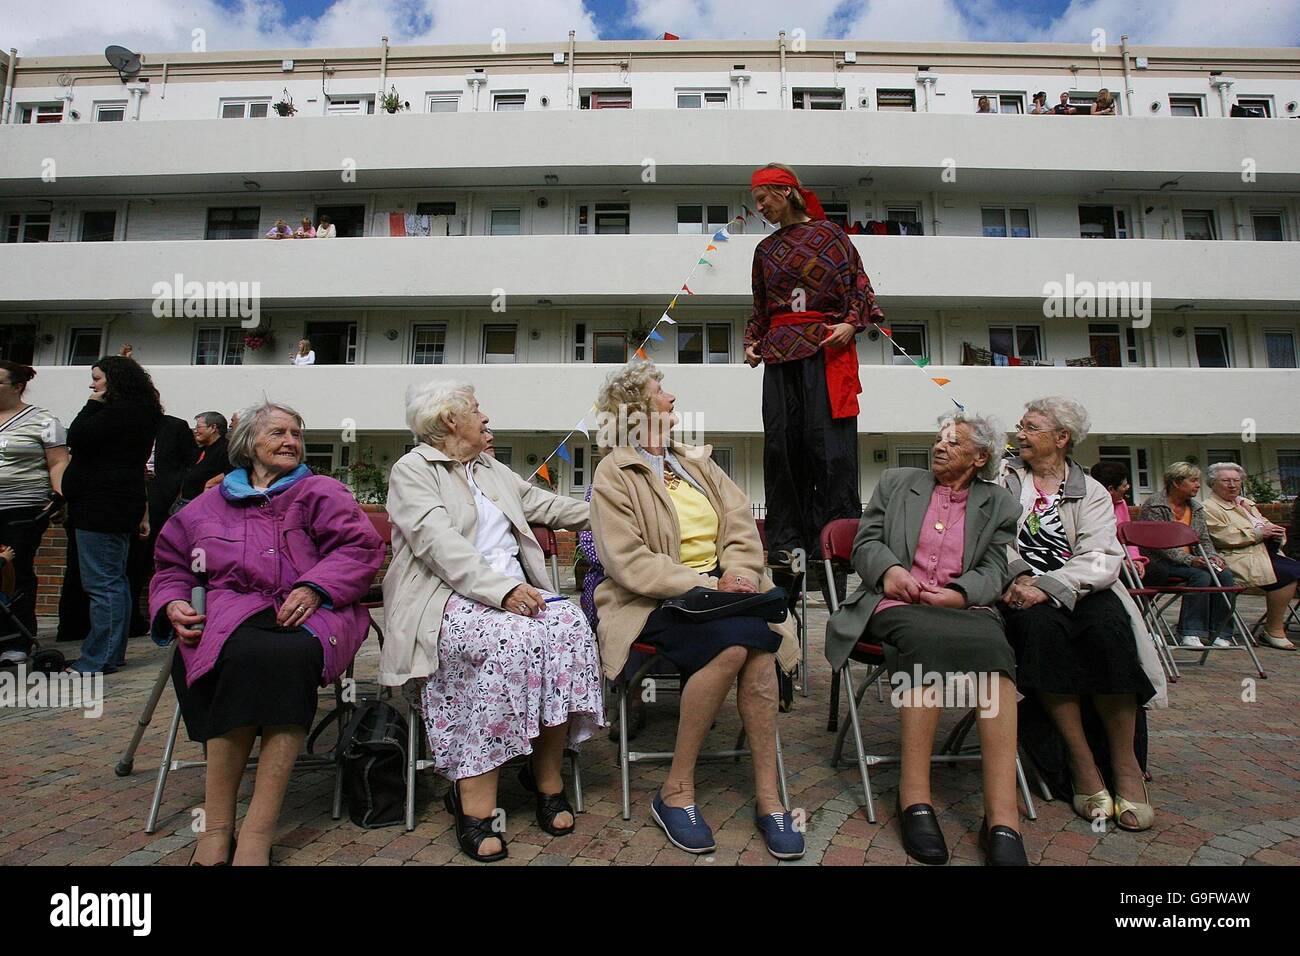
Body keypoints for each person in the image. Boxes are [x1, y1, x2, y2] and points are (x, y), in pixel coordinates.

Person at [150, 401, 383, 865]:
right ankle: (217, 827)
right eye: (278, 432)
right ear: (247, 444)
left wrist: (317, 586)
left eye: (297, 433)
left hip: (314, 608)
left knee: (282, 657)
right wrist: (172, 602)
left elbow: (360, 548)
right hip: (228, 612)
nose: (291, 441)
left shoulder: (322, 491)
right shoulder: (208, 504)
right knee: (229, 654)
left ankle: (256, 828)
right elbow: (172, 566)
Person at [589, 361, 804, 860]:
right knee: (742, 645)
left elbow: (740, 525)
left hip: (727, 593)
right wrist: (708, 582)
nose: (671, 396)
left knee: (753, 645)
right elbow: (629, 563)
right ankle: (683, 792)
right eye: (660, 389)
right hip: (654, 600)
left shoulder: (698, 462)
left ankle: (763, 798)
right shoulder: (613, 473)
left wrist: (743, 572)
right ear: (636, 410)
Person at [381, 381, 600, 863]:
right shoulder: (413, 470)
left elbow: (546, 506)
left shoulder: (489, 468)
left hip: (513, 593)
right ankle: (473, 802)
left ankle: (546, 779)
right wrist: (501, 590)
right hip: (447, 596)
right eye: (476, 409)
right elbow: (438, 543)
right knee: (510, 641)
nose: (486, 417)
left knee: (570, 628)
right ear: (448, 420)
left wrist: (611, 512)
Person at [827, 413, 1028, 865]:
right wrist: (892, 571)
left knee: (996, 654)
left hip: (964, 608)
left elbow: (996, 568)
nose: (939, 446)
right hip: (896, 604)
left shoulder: (998, 504)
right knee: (924, 642)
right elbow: (866, 543)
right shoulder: (897, 482)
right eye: (938, 439)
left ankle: (1002, 816)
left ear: (980, 457)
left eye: (952, 442)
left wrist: (959, 594)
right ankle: (914, 797)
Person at [999, 398, 1165, 834]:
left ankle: (1126, 766)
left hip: (1083, 588)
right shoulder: (1004, 479)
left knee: (1110, 633)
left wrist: (1050, 586)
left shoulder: (1089, 490)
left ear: (1061, 437)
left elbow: (1101, 556)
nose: (1020, 435)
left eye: (1031, 428)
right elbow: (993, 538)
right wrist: (1021, 581)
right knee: (1042, 633)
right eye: (1020, 427)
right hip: (1018, 590)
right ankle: (1082, 763)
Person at [745, 162, 883, 590]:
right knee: (782, 450)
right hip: (780, 354)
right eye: (755, 202)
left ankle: (836, 551)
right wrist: (753, 342)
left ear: (785, 191)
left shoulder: (833, 236)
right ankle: (788, 550)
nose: (760, 206)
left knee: (830, 450)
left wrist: (852, 322)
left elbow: (860, 287)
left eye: (764, 197)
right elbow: (761, 308)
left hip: (825, 350)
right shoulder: (764, 251)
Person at [63, 356, 162, 674]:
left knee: (103, 583)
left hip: (100, 505)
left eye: (98, 378)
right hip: (119, 503)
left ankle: (98, 657)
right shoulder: (143, 412)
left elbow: (77, 436)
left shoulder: (116, 412)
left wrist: (93, 403)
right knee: (114, 581)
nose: (93, 385)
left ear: (114, 380)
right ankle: (109, 652)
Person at [0, 361, 69, 664]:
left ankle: (17, 640)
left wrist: (59, 496)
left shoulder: (42, 420)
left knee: (15, 570)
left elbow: (58, 461)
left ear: (17, 386)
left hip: (22, 507)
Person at [1139, 461, 1238, 649]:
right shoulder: (1155, 506)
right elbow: (1160, 544)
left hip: (1193, 560)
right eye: (1193, 481)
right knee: (1200, 576)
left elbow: (1204, 539)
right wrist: (1191, 560)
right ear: (1177, 483)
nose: (1198, 485)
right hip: (1161, 561)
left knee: (1224, 573)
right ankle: (1190, 631)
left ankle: (1220, 631)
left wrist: (1213, 557)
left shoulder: (1197, 508)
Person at [1203, 462, 1298, 650]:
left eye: (1236, 480)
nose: (1232, 485)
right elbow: (1223, 537)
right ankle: (1274, 630)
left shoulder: (1246, 504)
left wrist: (1277, 533)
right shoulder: (1209, 507)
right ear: (1213, 483)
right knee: (1289, 574)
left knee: (1293, 568)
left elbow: (1266, 524)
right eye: (1226, 481)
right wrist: (1260, 533)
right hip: (1237, 557)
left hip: (1264, 553)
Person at [127, 412, 198, 636]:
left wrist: (177, 492)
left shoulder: (174, 426)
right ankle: (130, 619)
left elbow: (191, 463)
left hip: (162, 499)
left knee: (153, 558)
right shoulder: (126, 424)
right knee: (130, 563)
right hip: (129, 498)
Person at [1090, 460, 1146, 579]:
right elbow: (1096, 544)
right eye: (1124, 485)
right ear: (1111, 489)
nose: (1128, 487)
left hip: (1123, 559)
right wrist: (1119, 562)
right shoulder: (1089, 508)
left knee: (1156, 571)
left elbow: (1128, 537)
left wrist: (1134, 560)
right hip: (1099, 560)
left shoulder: (1121, 504)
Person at [176, 412, 230, 511]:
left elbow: (231, 473)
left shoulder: (226, 449)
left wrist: (210, 483)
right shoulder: (202, 449)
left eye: (199, 427)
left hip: (205, 506)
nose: (195, 431)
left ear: (213, 428)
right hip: (185, 503)